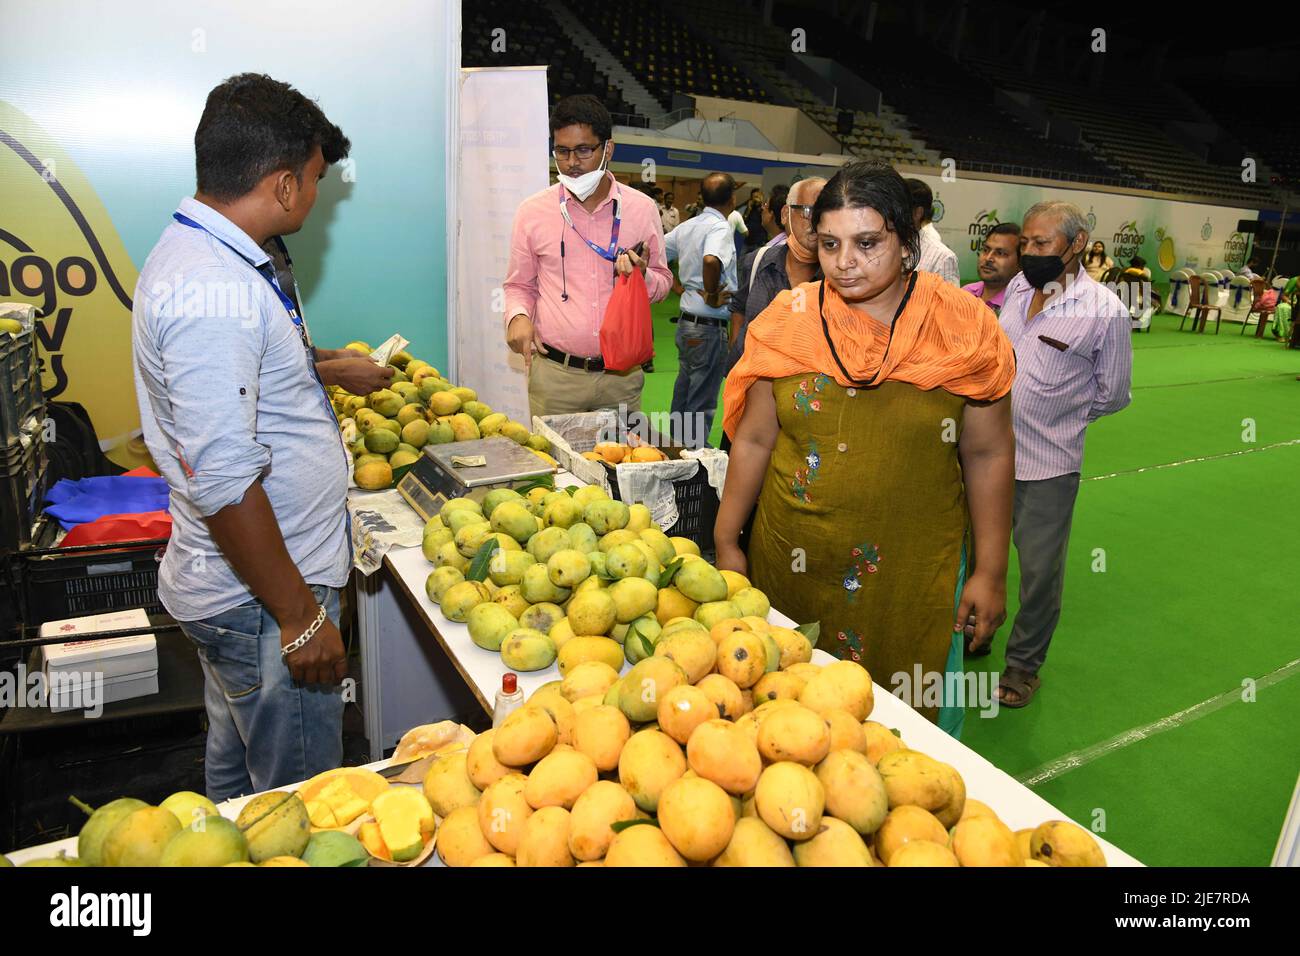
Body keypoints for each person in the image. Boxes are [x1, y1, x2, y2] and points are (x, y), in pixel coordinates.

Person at [715, 162, 1017, 735]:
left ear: (908, 244)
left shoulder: (963, 328)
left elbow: (989, 454)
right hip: (791, 561)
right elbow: (755, 437)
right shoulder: (789, 320)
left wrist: (991, 571)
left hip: (908, 575)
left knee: (894, 746)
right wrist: (728, 539)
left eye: (867, 243)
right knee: (788, 730)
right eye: (829, 244)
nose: (844, 262)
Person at [132, 73, 360, 800]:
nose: (318, 196)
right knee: (295, 808)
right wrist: (299, 618)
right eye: (318, 180)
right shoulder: (213, 292)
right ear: (285, 185)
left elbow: (245, 377)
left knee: (238, 784)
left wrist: (324, 366)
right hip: (264, 601)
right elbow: (225, 477)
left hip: (244, 595)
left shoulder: (215, 260)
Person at [992, 200, 1133, 708]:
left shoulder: (1105, 313)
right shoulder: (1016, 290)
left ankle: (1023, 666)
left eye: (1041, 244)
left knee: (1039, 574)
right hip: (986, 456)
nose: (1029, 253)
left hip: (1047, 465)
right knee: (974, 554)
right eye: (1025, 243)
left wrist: (1060, 416)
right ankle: (977, 628)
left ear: (1076, 245)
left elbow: (1114, 393)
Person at [504, 95, 671, 420]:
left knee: (617, 466)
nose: (571, 163)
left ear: (607, 149)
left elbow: (663, 282)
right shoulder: (532, 211)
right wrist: (518, 317)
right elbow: (518, 286)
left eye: (583, 150)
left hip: (621, 378)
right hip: (556, 376)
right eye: (561, 151)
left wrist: (641, 276)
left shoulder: (640, 209)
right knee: (553, 468)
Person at [665, 172, 739, 448]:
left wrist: (679, 288)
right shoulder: (719, 228)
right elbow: (711, 260)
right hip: (708, 327)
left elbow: (654, 255)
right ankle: (694, 458)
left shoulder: (688, 226)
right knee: (701, 398)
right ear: (732, 198)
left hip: (688, 325)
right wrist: (709, 294)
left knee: (684, 391)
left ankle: (676, 447)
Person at [725, 177, 826, 375]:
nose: (817, 221)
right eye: (809, 211)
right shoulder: (756, 261)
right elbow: (739, 308)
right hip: (752, 383)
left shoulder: (841, 277)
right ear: (784, 214)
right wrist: (737, 356)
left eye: (826, 213)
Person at [906, 178, 960, 286]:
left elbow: (948, 302)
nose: (890, 212)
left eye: (897, 207)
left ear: (917, 213)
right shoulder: (883, 244)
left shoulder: (942, 258)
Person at [961, 222, 1021, 315]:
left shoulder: (1018, 306)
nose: (988, 258)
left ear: (1020, 263)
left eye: (1000, 253)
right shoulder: (966, 293)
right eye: (986, 250)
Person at [743, 187, 766, 251]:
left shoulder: (765, 208)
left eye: (757, 197)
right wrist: (748, 209)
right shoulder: (750, 208)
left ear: (761, 196)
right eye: (754, 197)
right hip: (748, 241)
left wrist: (761, 204)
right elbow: (744, 221)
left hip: (759, 242)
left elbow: (766, 221)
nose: (755, 199)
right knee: (742, 260)